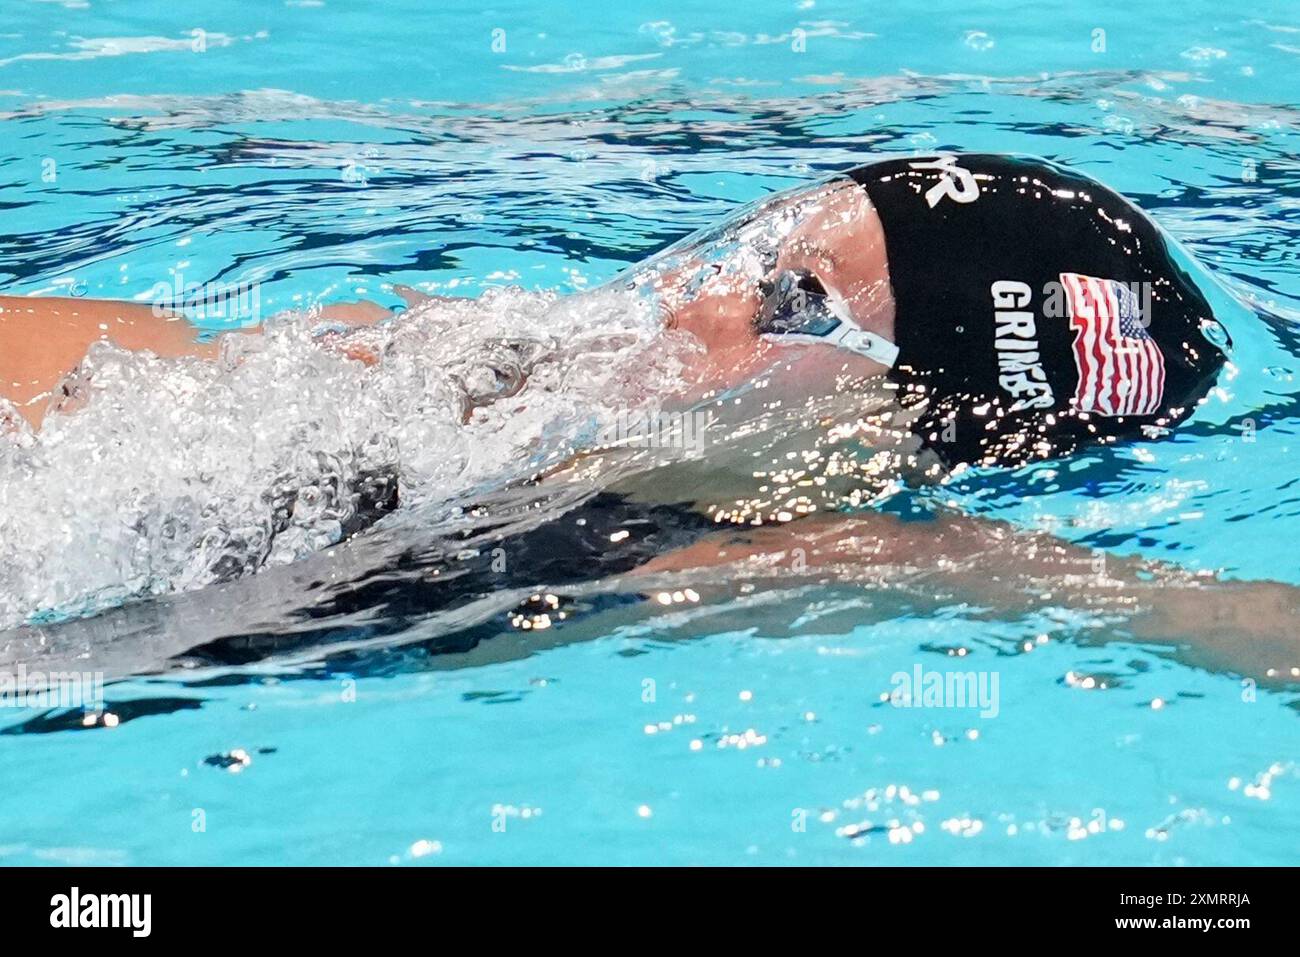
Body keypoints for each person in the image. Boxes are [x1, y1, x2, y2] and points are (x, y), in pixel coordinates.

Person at [4, 153, 1291, 682]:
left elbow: (1194, 616)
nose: (700, 297)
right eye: (755, 241)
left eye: (790, 301)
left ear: (897, 436)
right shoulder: (448, 372)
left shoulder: (760, 554)